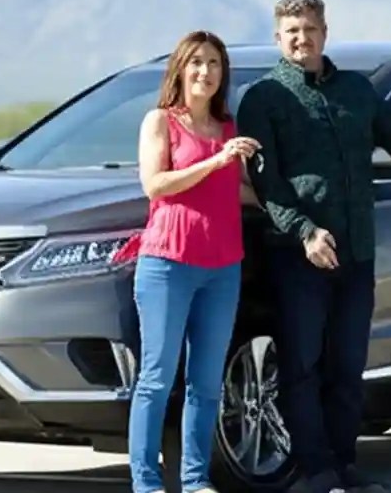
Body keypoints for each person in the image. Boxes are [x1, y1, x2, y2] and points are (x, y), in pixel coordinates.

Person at [236, 0, 391, 493]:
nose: (302, 38)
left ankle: (344, 465)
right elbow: (265, 183)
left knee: (347, 365)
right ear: (278, 38)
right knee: (302, 366)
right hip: (298, 255)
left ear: (324, 32)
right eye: (292, 31)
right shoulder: (264, 99)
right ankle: (312, 470)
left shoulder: (356, 91)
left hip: (357, 252)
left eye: (310, 28)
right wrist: (304, 232)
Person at [125, 30, 261, 493]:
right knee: (157, 378)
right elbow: (155, 185)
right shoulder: (160, 122)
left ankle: (195, 479)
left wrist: (281, 198)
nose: (206, 72)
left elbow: (236, 190)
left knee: (206, 383)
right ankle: (146, 483)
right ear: (181, 69)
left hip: (223, 267)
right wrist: (216, 161)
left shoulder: (228, 129)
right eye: (197, 62)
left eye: (215, 64)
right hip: (168, 264)